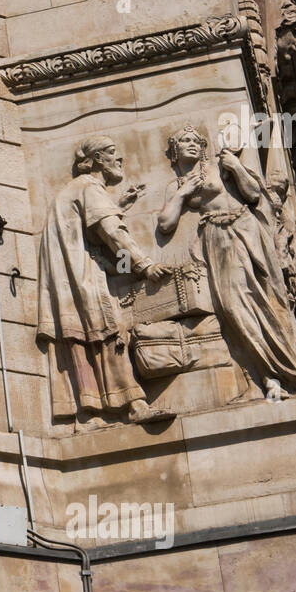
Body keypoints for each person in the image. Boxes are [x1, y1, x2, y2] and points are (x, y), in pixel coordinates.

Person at [156, 124, 296, 398]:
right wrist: (182, 194)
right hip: (216, 240)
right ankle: (266, 375)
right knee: (231, 307)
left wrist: (236, 166)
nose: (192, 144)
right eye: (185, 141)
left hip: (244, 229)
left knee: (263, 299)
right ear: (174, 150)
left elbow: (253, 194)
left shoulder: (219, 166)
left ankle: (282, 375)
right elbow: (166, 223)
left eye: (196, 141)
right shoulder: (177, 185)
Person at [37, 136, 175, 424]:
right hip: (84, 277)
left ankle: (89, 411)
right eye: (113, 152)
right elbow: (112, 233)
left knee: (84, 337)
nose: (120, 159)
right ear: (98, 159)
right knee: (110, 331)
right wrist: (145, 266)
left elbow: (91, 230)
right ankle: (134, 405)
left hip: (70, 279)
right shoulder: (88, 186)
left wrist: (118, 205)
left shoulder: (77, 189)